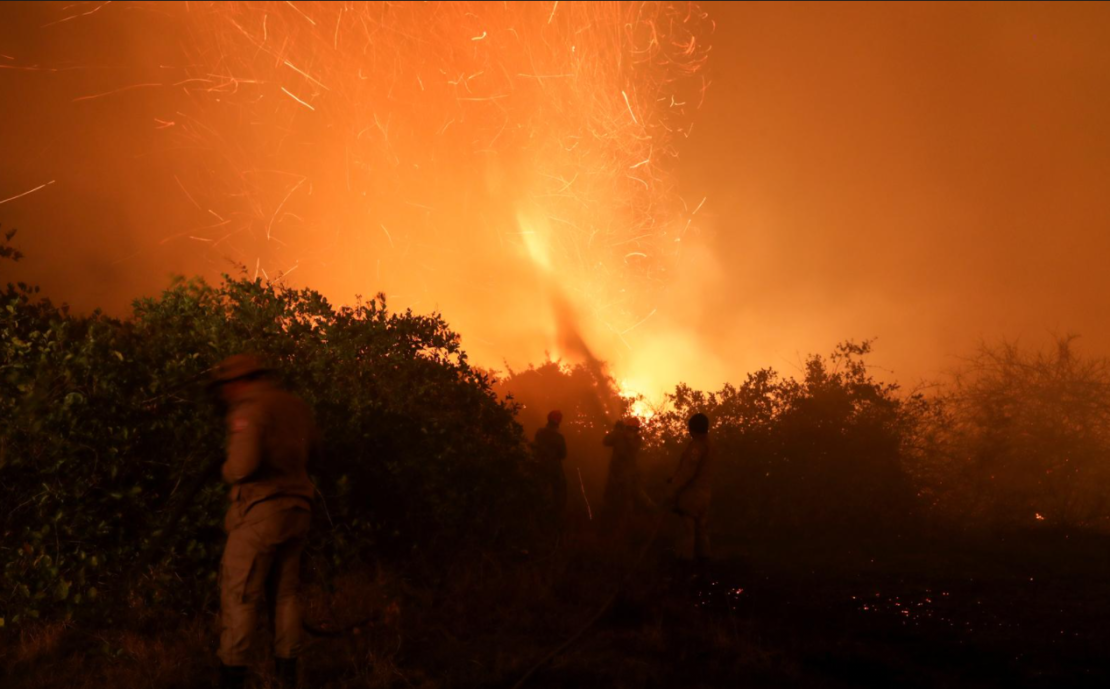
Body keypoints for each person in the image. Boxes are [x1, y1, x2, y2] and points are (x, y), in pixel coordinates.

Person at [211, 354, 319, 689]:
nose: (225, 392)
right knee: (286, 596)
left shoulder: (250, 409)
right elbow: (316, 452)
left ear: (238, 381)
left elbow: (242, 466)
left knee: (240, 596)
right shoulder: (296, 406)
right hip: (298, 510)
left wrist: (225, 469)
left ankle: (233, 675)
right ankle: (287, 676)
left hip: (260, 513)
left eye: (226, 385)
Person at [668, 413, 713, 570]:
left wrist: (673, 489)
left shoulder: (696, 446)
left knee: (687, 533)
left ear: (692, 429)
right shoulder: (711, 445)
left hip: (691, 497)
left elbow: (688, 472)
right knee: (701, 532)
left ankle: (684, 571)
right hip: (705, 496)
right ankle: (704, 570)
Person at [602, 417, 651, 535]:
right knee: (610, 500)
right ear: (627, 428)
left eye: (635, 430)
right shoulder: (618, 436)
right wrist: (615, 431)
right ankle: (607, 527)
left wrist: (621, 432)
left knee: (625, 502)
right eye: (630, 429)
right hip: (614, 474)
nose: (632, 432)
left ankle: (624, 529)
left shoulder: (636, 440)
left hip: (627, 476)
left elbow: (632, 447)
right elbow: (605, 441)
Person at [534, 410, 568, 520]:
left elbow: (535, 447)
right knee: (559, 492)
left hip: (539, 465)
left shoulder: (540, 432)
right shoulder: (559, 437)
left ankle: (538, 514)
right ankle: (555, 517)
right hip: (554, 468)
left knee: (540, 491)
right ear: (558, 422)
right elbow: (563, 455)